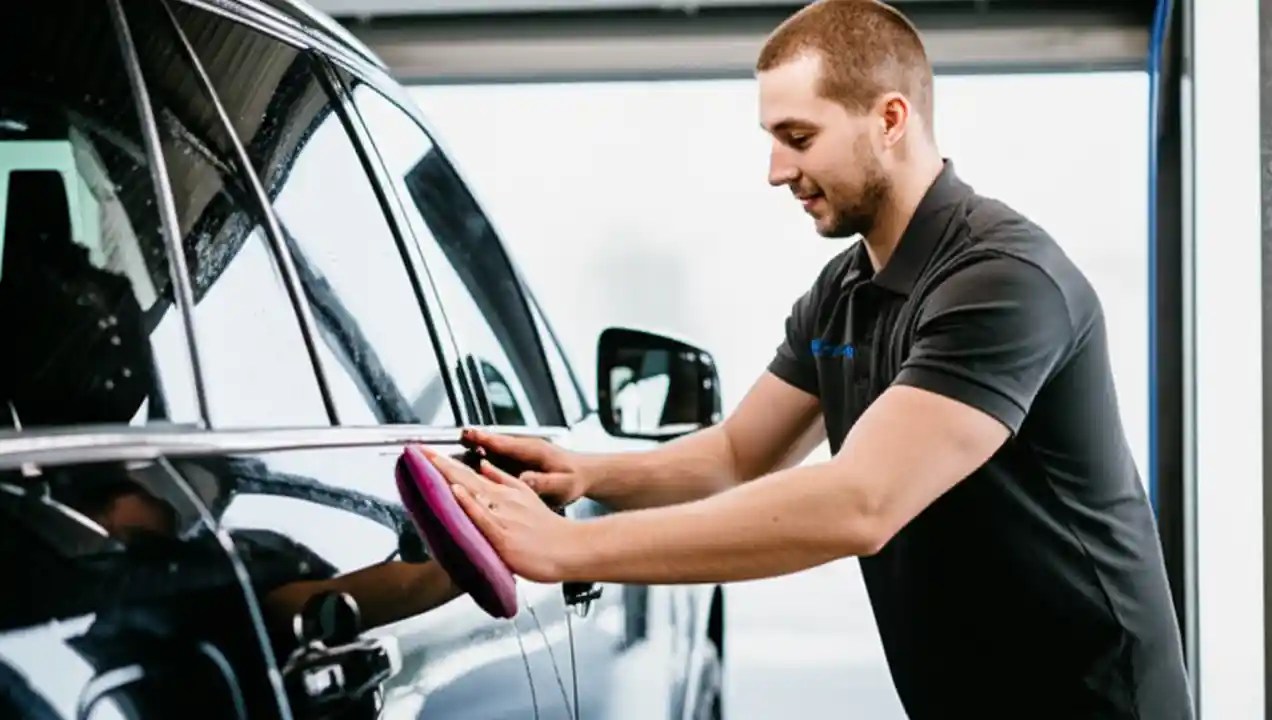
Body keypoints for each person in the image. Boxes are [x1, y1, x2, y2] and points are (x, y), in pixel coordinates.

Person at [423, 0, 1194, 717]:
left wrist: (566, 548)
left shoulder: (1002, 281)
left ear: (890, 119)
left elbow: (861, 503)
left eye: (798, 138)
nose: (776, 170)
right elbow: (736, 453)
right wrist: (587, 472)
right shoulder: (846, 289)